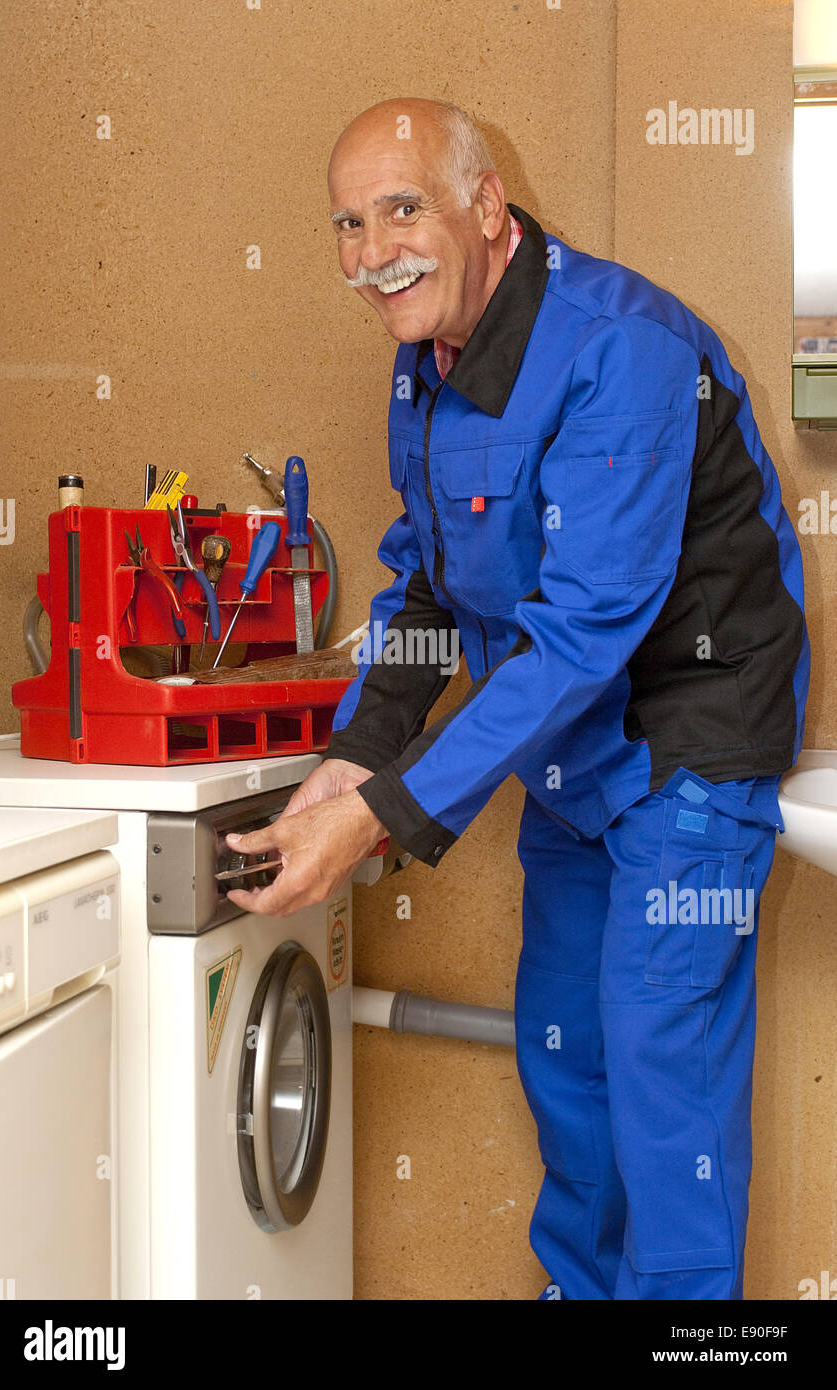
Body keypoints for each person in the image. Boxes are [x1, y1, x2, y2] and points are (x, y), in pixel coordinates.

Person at [225, 98, 809, 1300]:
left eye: (400, 209)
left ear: (485, 208)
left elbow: (583, 631)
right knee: (565, 1057)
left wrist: (378, 814)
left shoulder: (620, 348)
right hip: (572, 755)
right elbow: (433, 583)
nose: (368, 249)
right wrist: (355, 750)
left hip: (686, 747)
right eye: (346, 221)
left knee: (659, 1073)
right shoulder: (424, 368)